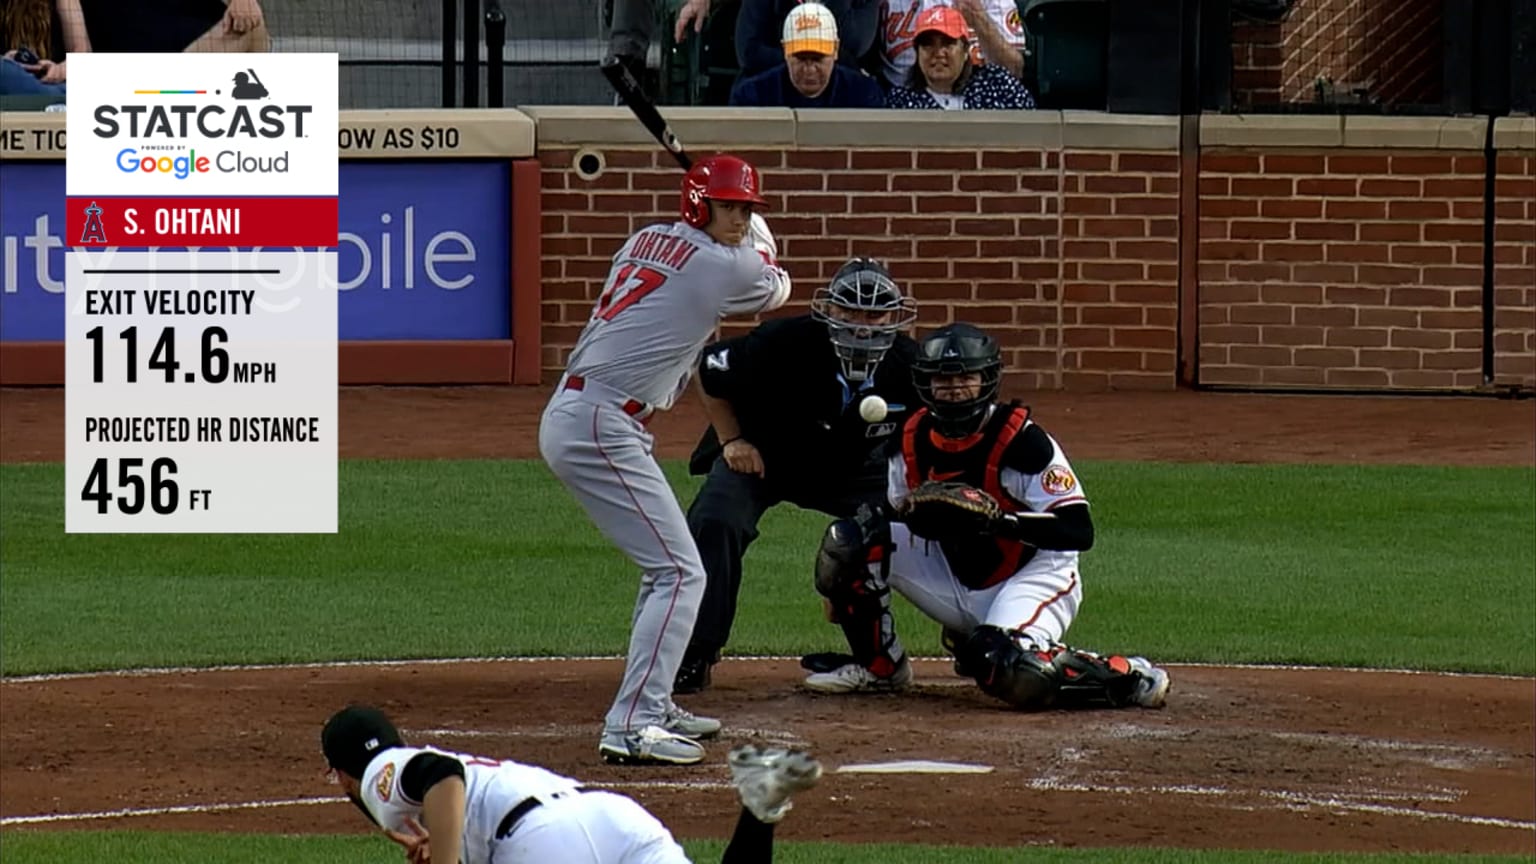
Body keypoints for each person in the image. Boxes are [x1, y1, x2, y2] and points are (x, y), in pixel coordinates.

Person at [540, 154, 793, 767]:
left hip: (592, 416)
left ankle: (653, 701)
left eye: (747, 210)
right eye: (731, 207)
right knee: (682, 573)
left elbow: (731, 269)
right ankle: (632, 723)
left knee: (667, 570)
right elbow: (775, 285)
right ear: (700, 205)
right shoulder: (717, 266)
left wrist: (740, 233)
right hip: (601, 423)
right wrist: (756, 240)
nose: (740, 218)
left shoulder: (648, 237)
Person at [799, 322, 1172, 713]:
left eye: (966, 377)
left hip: (1031, 574)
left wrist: (998, 523)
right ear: (925, 383)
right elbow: (892, 517)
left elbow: (1078, 529)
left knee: (1013, 671)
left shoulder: (1023, 442)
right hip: (951, 568)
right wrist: (843, 583)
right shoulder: (908, 439)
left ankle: (1129, 677)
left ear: (987, 379)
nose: (954, 387)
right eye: (942, 379)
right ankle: (880, 669)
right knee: (850, 542)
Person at [674, 258, 920, 695]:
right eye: (851, 311)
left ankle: (881, 656)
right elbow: (709, 372)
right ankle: (696, 651)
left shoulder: (907, 364)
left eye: (875, 314)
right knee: (716, 519)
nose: (862, 325)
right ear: (830, 310)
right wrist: (732, 442)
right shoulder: (783, 341)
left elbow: (918, 442)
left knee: (897, 526)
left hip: (851, 468)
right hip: (766, 456)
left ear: (892, 317)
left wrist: (848, 579)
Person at [321, 704, 823, 864]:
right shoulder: (437, 788)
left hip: (543, 839)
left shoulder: (375, 777)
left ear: (341, 773)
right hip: (609, 815)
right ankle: (760, 805)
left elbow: (439, 774)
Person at [729, 1, 885, 109]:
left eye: (817, 58)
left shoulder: (865, 95)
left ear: (835, 50)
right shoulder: (750, 95)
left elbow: (856, 42)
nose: (809, 68)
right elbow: (748, 51)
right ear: (786, 52)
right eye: (801, 58)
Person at [884, 6, 1035, 110]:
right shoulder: (900, 100)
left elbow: (1033, 125)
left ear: (965, 51)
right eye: (928, 45)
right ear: (917, 53)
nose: (938, 52)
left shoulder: (997, 82)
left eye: (948, 43)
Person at [733, 0, 880, 80]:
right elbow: (748, 53)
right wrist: (803, 62)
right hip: (771, 86)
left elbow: (855, 44)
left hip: (838, 89)